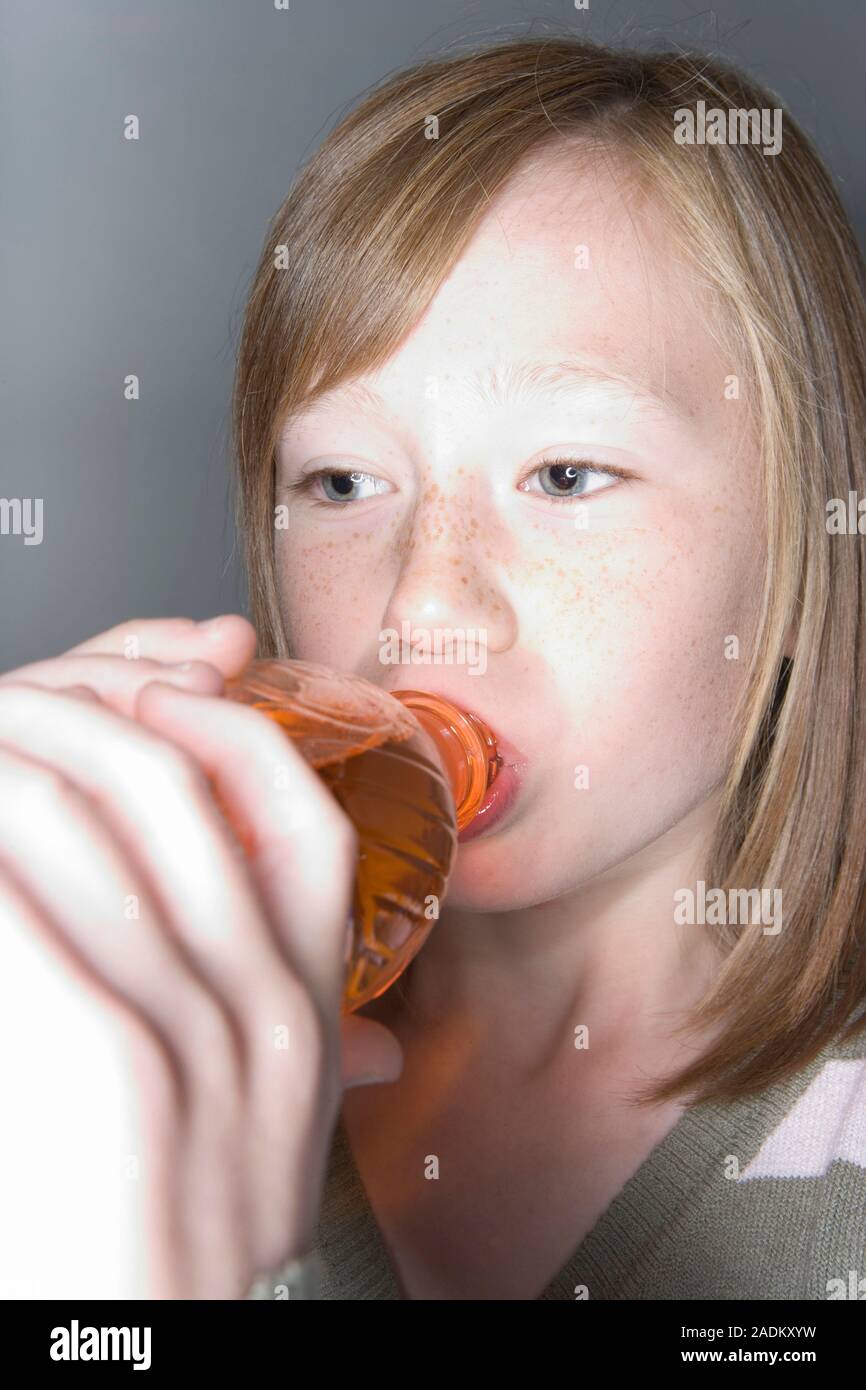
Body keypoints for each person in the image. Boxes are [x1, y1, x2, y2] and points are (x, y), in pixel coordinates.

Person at [2, 35, 865, 1301]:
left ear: (806, 531)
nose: (421, 604)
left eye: (566, 475)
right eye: (343, 483)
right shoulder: (92, 1042)